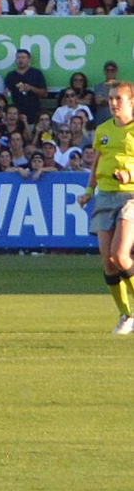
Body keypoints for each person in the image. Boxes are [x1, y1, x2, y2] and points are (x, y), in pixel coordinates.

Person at [78, 81, 134, 334]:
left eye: (118, 99)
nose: (112, 103)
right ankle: (126, 314)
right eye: (110, 98)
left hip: (130, 196)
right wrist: (89, 191)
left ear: (131, 102)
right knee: (108, 261)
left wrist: (130, 174)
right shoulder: (102, 130)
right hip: (105, 196)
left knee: (120, 255)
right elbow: (97, 163)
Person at [4, 48, 48, 126]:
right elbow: (6, 94)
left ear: (29, 59)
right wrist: (6, 94)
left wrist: (30, 88)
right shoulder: (10, 75)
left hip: (32, 113)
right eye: (18, 57)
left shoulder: (36, 73)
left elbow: (44, 93)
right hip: (14, 116)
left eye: (23, 57)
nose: (21, 60)